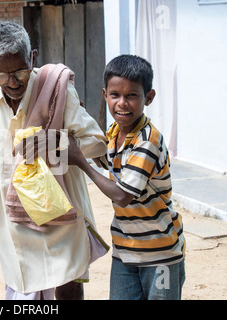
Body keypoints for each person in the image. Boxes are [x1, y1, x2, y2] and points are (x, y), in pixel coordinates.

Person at [0, 20, 108, 299]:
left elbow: (97, 142)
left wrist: (54, 144)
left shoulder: (56, 89)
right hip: (14, 221)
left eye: (20, 71)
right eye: (2, 75)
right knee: (24, 285)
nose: (13, 82)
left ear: (32, 58)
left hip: (60, 210)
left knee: (68, 282)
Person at [67, 54, 185, 300]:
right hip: (125, 252)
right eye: (115, 95)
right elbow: (104, 157)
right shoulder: (113, 134)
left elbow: (122, 195)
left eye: (132, 95)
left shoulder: (148, 141)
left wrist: (79, 160)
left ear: (148, 97)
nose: (122, 103)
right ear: (105, 95)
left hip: (160, 253)